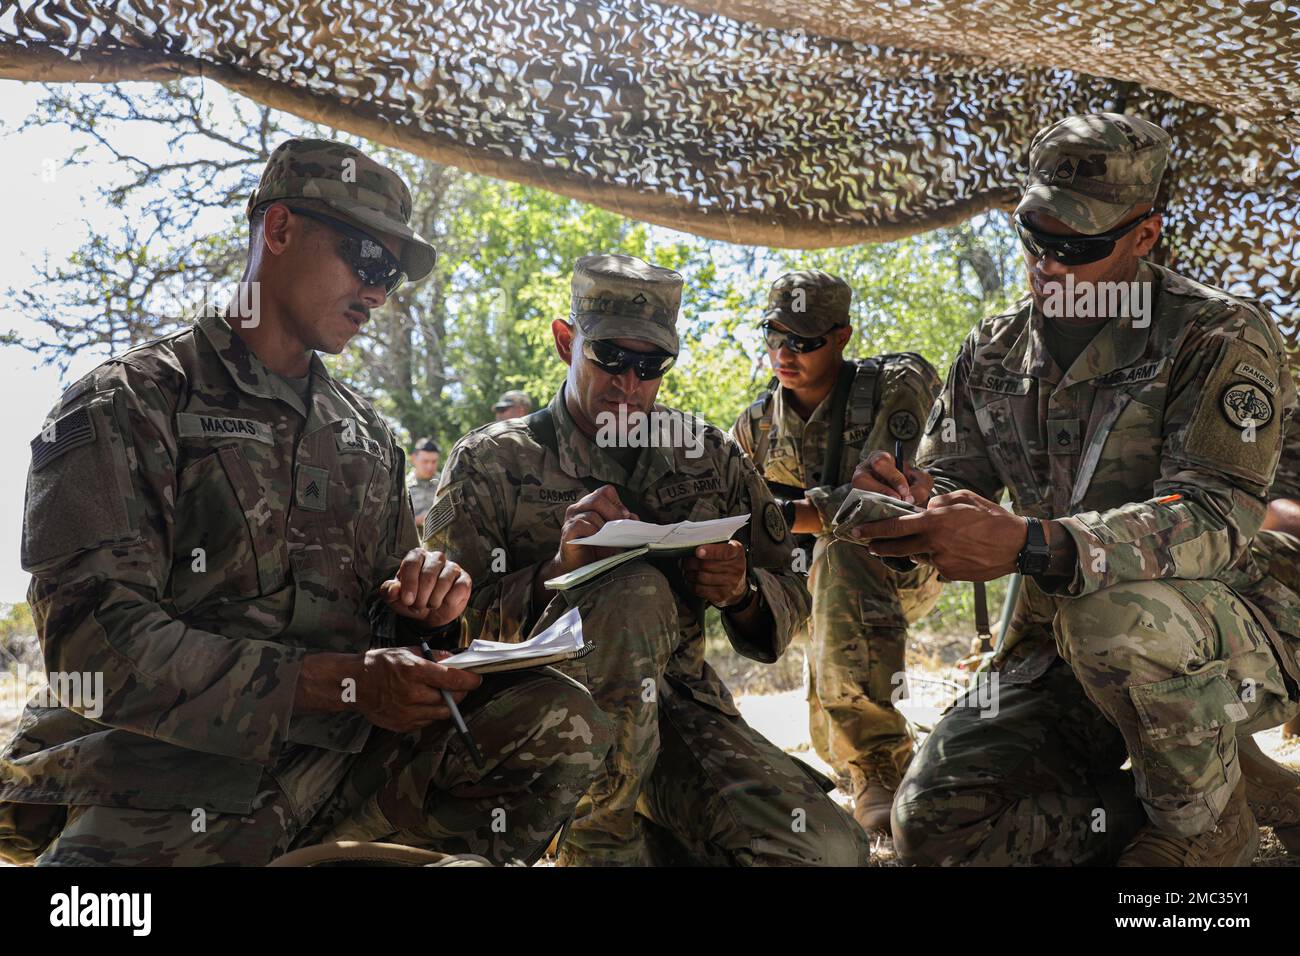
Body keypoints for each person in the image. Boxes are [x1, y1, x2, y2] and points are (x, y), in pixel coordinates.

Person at [0, 138, 612, 866]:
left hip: (345, 761)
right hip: (168, 776)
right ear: (280, 229)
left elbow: (387, 623)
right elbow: (94, 652)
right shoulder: (129, 403)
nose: (380, 292)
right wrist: (328, 684)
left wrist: (432, 617)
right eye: (368, 262)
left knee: (558, 714)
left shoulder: (366, 436)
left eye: (392, 277)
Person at [851, 113, 1300, 866]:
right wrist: (907, 513)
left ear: (1146, 234)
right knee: (935, 826)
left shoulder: (1217, 334)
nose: (1050, 264)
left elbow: (1216, 516)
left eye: (1079, 246)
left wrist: (1035, 542)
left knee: (1109, 611)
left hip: (1228, 629)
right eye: (1036, 234)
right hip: (1059, 642)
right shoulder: (991, 351)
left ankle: (1201, 830)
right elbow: (950, 485)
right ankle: (1223, 787)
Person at [427, 253, 870, 866]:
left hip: (676, 711)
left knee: (828, 851)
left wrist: (739, 593)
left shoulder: (705, 453)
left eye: (649, 365)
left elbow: (790, 582)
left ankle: (656, 829)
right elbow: (445, 634)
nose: (627, 385)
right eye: (609, 358)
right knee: (635, 590)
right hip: (541, 726)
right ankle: (595, 842)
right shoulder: (491, 462)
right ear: (565, 342)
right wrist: (556, 572)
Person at [730, 270, 941, 832]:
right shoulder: (753, 426)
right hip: (796, 589)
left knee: (847, 545)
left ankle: (877, 761)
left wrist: (785, 517)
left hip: (899, 570)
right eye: (774, 336)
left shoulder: (897, 383)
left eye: (804, 341)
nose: (785, 353)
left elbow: (885, 499)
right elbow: (729, 519)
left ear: (843, 337)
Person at [408, 437, 441, 535]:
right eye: (425, 461)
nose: (430, 466)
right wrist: (417, 520)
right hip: (412, 546)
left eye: (434, 462)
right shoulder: (404, 486)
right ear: (414, 459)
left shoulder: (444, 483)